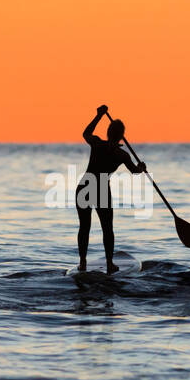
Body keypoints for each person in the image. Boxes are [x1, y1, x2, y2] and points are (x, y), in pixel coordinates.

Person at [77, 105, 146, 273]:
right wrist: (141, 167)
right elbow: (135, 172)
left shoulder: (97, 143)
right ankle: (109, 263)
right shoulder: (122, 155)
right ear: (122, 135)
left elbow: (86, 133)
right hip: (100, 187)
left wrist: (98, 116)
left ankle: (83, 263)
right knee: (107, 228)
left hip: (85, 185)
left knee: (84, 226)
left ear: (108, 133)